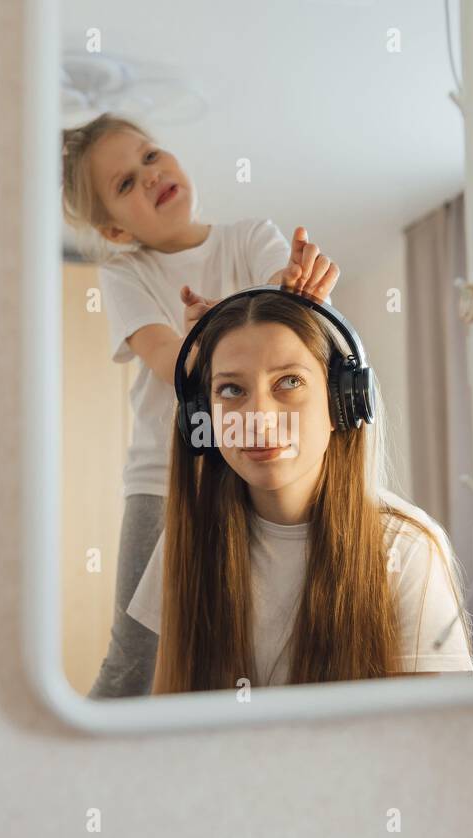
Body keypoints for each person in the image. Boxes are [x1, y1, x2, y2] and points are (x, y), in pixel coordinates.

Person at [60, 112, 340, 698]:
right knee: (137, 650)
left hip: (257, 469)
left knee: (246, 636)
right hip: (164, 477)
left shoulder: (249, 237)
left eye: (150, 156)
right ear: (114, 231)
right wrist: (206, 342)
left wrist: (301, 295)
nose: (150, 175)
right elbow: (168, 359)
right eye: (125, 184)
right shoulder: (125, 272)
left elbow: (288, 322)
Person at [125, 290, 473, 693]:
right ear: (202, 418)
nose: (259, 418)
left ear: (341, 403)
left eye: (289, 382)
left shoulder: (407, 546)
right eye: (231, 390)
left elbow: (424, 740)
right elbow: (171, 710)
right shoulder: (186, 539)